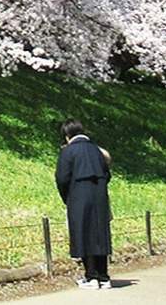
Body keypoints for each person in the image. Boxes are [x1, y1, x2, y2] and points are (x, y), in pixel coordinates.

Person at [55, 119, 112, 290]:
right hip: (100, 196)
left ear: (67, 136)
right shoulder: (97, 150)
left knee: (84, 233)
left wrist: (68, 198)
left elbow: (62, 178)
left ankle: (91, 277)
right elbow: (107, 175)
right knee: (100, 233)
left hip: (79, 196)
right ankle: (104, 277)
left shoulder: (68, 151)